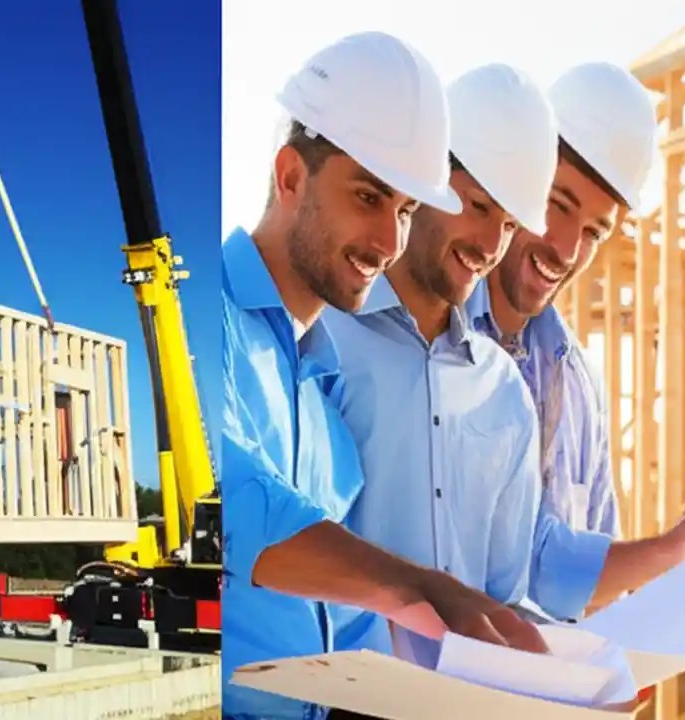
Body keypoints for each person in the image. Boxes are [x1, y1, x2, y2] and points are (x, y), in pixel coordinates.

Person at [222, 33, 547, 720]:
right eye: (368, 196)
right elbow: (239, 514)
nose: (388, 241)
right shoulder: (209, 326)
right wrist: (414, 586)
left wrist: (549, 687)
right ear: (290, 177)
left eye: (404, 211)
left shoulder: (321, 393)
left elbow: (341, 630)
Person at [464, 61, 685, 622]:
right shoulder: (432, 344)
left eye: (595, 231)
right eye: (558, 205)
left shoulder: (578, 383)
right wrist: (667, 551)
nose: (567, 249)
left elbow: (592, 584)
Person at [320, 63, 561, 662]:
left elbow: (504, 599)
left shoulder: (505, 393)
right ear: (424, 180)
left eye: (507, 225)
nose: (489, 244)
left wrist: (581, 672)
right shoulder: (321, 342)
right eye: (478, 205)